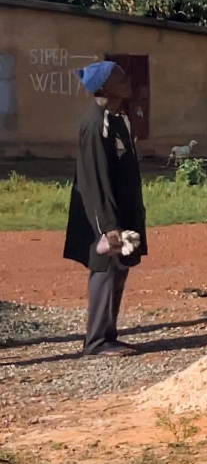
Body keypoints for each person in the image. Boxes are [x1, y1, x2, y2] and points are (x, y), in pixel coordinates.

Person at [62, 60, 148, 357]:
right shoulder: (95, 123)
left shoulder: (115, 119)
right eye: (119, 77)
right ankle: (96, 341)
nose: (127, 80)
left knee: (118, 269)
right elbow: (94, 179)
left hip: (119, 211)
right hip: (104, 216)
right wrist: (108, 226)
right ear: (103, 87)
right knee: (104, 270)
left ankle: (107, 335)